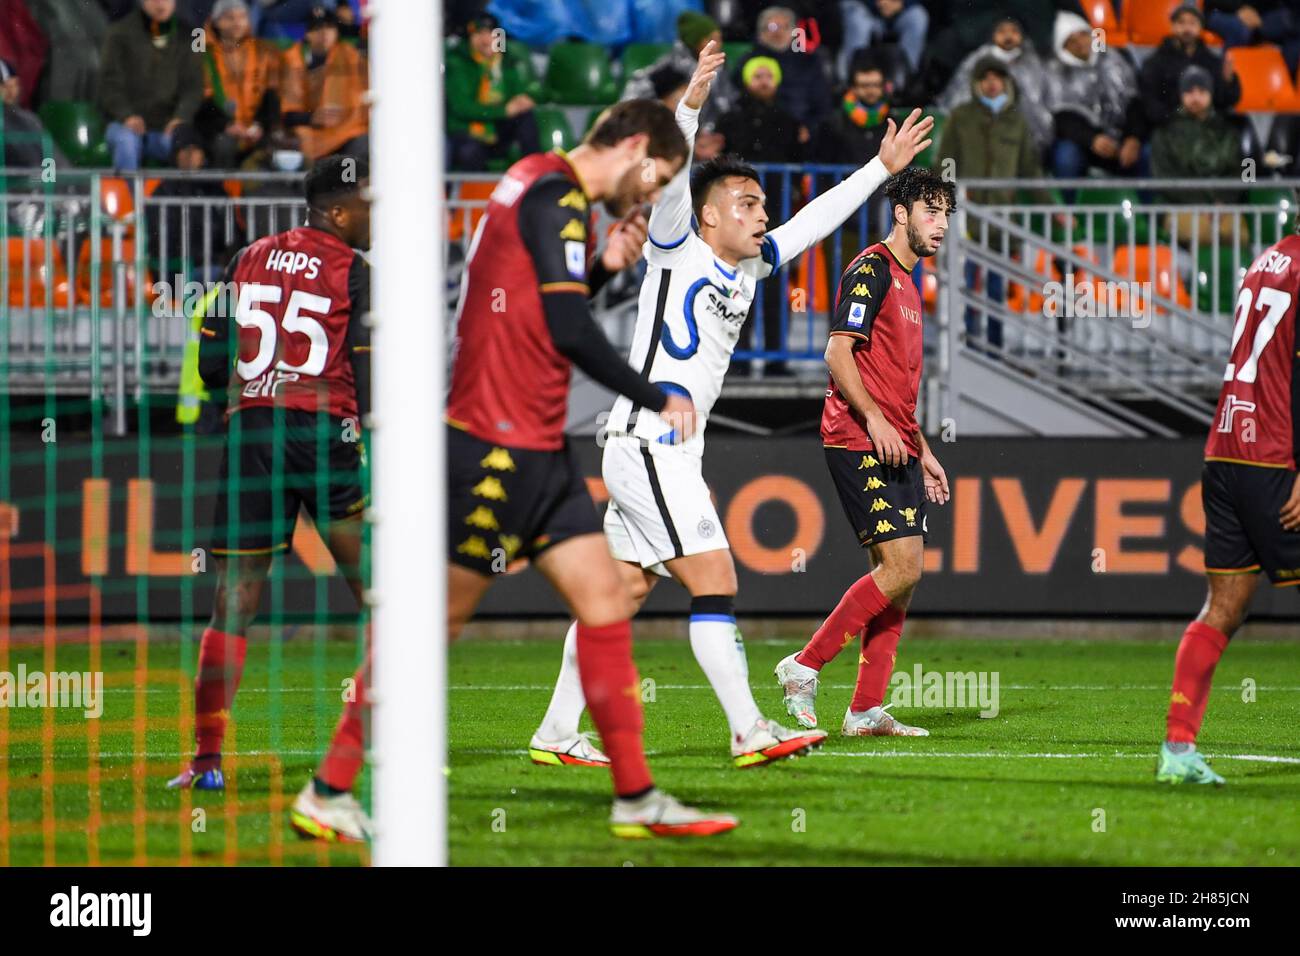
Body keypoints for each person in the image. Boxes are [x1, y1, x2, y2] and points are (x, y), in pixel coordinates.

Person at [528, 45, 933, 770]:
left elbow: (814, 218)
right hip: (650, 438)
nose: (762, 213)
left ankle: (556, 733)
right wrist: (690, 105)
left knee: (620, 590)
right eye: (747, 203)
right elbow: (678, 177)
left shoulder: (747, 266)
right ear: (708, 215)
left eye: (761, 204)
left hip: (668, 447)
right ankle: (750, 727)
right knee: (715, 575)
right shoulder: (675, 241)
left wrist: (880, 170)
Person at [446, 99, 739, 839]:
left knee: (607, 603)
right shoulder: (556, 193)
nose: (651, 193)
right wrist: (655, 392)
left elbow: (555, 311)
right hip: (494, 447)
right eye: (659, 177)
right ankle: (332, 782)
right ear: (636, 146)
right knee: (434, 624)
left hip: (539, 448)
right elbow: (570, 330)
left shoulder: (536, 186)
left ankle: (636, 797)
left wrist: (607, 270)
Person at [165, 158, 373, 845]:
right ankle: (383, 750)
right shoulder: (354, 269)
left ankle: (205, 761)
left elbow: (215, 353)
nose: (376, 214)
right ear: (338, 212)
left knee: (234, 602)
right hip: (323, 431)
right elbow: (364, 366)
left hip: (254, 430)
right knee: (381, 594)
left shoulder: (246, 257)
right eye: (368, 202)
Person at [775, 166, 953, 737]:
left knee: (900, 575)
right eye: (930, 211)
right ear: (900, 214)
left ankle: (865, 709)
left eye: (946, 213)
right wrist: (875, 419)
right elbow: (836, 353)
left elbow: (893, 384)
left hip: (896, 442)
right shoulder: (872, 269)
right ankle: (803, 667)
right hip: (855, 438)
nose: (941, 224)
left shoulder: (910, 282)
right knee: (902, 566)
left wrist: (922, 449)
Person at [1156, 229, 1300, 785]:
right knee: (1225, 604)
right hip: (1273, 457)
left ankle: (1178, 748)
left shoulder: (1265, 260)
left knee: (1225, 603)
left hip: (1224, 449)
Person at [937, 57, 1047, 351]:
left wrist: (1055, 209)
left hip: (1002, 218)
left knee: (996, 287)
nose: (991, 82)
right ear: (976, 83)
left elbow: (1030, 170)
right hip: (968, 216)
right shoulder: (960, 116)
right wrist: (948, 196)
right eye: (985, 77)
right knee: (970, 282)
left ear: (1006, 82)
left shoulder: (1017, 121)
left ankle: (995, 347)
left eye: (997, 76)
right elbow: (945, 161)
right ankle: (971, 345)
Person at [717, 55, 804, 375]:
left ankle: (775, 358)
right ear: (748, 80)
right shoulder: (730, 119)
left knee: (775, 287)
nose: (764, 81)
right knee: (737, 286)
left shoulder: (790, 120)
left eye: (769, 75)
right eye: (758, 76)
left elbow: (797, 169)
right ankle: (738, 357)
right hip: (737, 216)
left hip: (776, 215)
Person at [99, 0, 204, 170]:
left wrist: (180, 117)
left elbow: (194, 86)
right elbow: (109, 84)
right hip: (124, 123)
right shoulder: (118, 33)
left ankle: (178, 196)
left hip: (168, 126)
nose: (160, 3)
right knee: (126, 142)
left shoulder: (192, 35)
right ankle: (130, 196)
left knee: (188, 149)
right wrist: (126, 115)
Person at [1044, 10, 1145, 181]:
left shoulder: (1114, 59)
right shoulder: (1057, 73)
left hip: (1123, 138)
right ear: (1063, 46)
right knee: (1066, 156)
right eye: (1071, 41)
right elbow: (1062, 117)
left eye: (1083, 35)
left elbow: (1134, 101)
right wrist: (1091, 139)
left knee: (1148, 153)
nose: (1080, 43)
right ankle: (1067, 207)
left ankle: (1151, 207)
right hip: (1083, 143)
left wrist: (1133, 138)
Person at [622, 9, 739, 152]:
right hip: (663, 141)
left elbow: (726, 105)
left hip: (707, 143)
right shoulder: (669, 70)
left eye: (719, 38)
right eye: (712, 39)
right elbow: (629, 103)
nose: (719, 44)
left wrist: (712, 135)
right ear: (697, 42)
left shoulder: (719, 68)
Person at [1151, 66, 1244, 245]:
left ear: (1210, 94)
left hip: (1223, 208)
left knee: (1239, 234)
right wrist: (1202, 204)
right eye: (1189, 92)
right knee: (1202, 233)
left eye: (1201, 91)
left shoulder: (1228, 131)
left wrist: (1223, 201)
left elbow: (1243, 171)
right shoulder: (1165, 132)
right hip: (1179, 208)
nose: (1195, 97)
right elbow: (1164, 177)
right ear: (1181, 94)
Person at [937, 15, 1051, 154]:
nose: (1008, 36)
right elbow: (958, 100)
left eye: (1014, 31)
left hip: (1021, 135)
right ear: (993, 35)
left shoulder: (1033, 63)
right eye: (1002, 31)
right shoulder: (977, 60)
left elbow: (1041, 108)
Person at [444, 10, 540, 172]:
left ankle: (534, 177)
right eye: (479, 34)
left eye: (491, 33)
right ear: (470, 37)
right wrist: (504, 110)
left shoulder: (506, 60)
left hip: (497, 130)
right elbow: (462, 108)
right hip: (468, 132)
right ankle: (471, 194)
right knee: (470, 151)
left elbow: (521, 92)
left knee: (525, 117)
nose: (486, 39)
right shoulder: (457, 63)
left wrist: (525, 100)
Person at [196, 0, 284, 169]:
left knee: (277, 145)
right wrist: (227, 126)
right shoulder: (203, 55)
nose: (237, 23)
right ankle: (224, 192)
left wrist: (258, 125)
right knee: (224, 144)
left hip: (256, 129)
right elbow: (200, 102)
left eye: (242, 17)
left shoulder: (262, 52)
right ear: (216, 21)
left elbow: (271, 95)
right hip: (219, 129)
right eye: (230, 17)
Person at [279, 5, 368, 162]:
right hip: (311, 136)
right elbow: (287, 114)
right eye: (317, 28)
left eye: (329, 27)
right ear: (307, 34)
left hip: (349, 130)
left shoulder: (350, 55)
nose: (324, 33)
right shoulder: (293, 60)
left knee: (365, 145)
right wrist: (311, 117)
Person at [1137, 4, 1241, 138]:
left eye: (1192, 23)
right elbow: (1150, 103)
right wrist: (1175, 120)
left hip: (1206, 132)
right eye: (1181, 22)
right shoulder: (1155, 62)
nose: (1187, 28)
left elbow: (1225, 102)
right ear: (1172, 26)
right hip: (1168, 132)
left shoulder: (1212, 62)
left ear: (1200, 28)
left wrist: (1229, 82)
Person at [737, 5, 833, 138]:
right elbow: (738, 98)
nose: (779, 32)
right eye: (773, 27)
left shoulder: (809, 61)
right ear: (761, 32)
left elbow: (822, 103)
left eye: (785, 27)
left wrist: (810, 127)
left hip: (803, 131)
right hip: (757, 128)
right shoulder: (748, 61)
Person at [838, 0, 929, 81]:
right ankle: (852, 79)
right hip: (863, 7)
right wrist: (878, 2)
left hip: (898, 10)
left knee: (918, 17)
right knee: (858, 23)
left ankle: (904, 80)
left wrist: (902, 3)